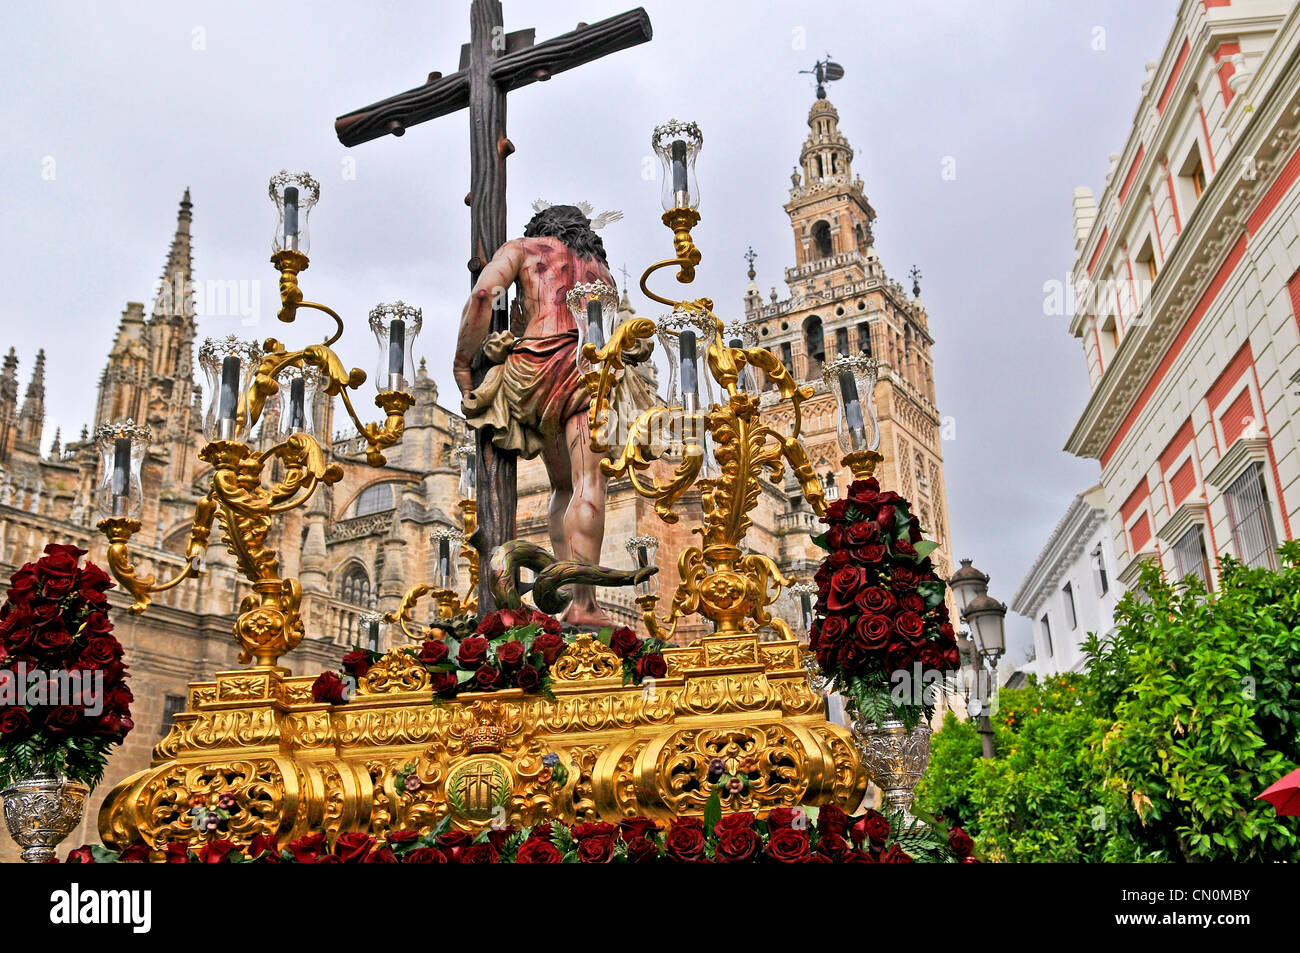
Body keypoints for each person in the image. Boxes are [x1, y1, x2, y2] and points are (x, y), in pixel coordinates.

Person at [454, 204, 619, 627]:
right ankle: (584, 603)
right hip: (585, 371)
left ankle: (562, 593)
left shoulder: (523, 249)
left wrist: (463, 361)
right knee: (587, 483)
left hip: (534, 372)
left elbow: (482, 295)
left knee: (561, 485)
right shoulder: (602, 272)